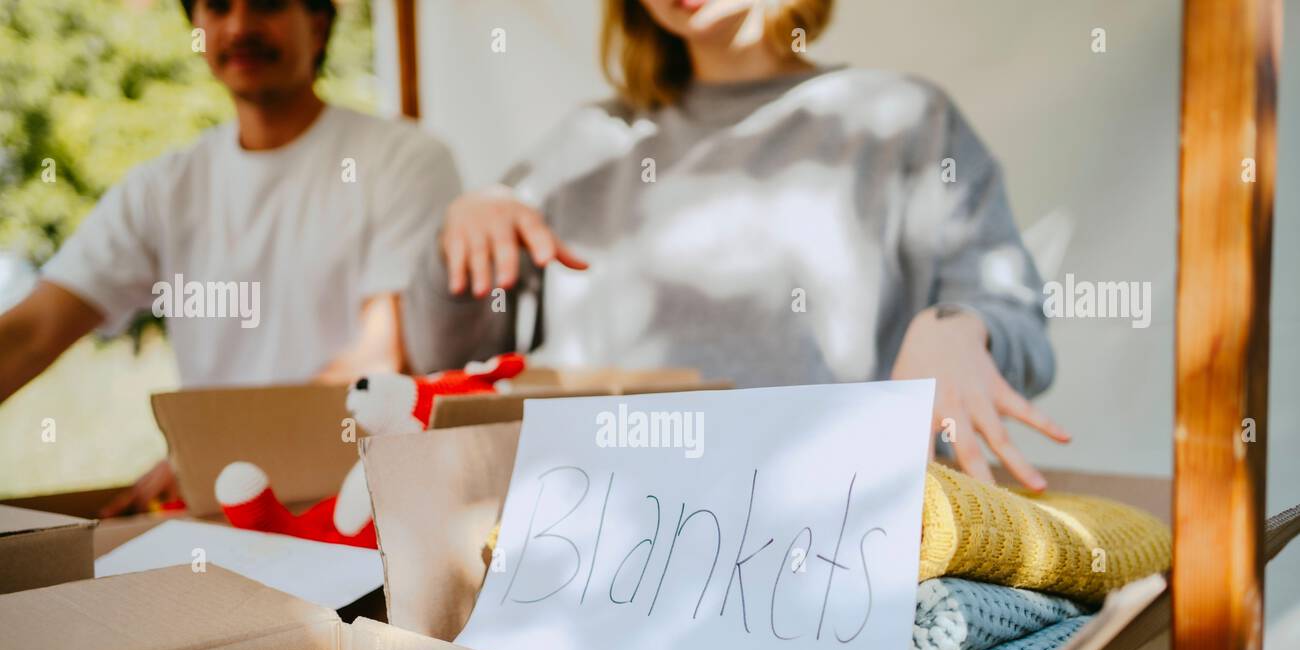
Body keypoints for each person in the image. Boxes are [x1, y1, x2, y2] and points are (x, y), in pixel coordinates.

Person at [419, 0, 1070, 490]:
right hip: (594, 545)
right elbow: (448, 360)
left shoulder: (902, 120)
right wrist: (458, 243)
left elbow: (1014, 323)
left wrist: (959, 328)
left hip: (821, 547)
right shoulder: (584, 144)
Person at [0, 0, 461, 514]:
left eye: (266, 4)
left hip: (364, 506)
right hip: (220, 507)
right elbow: (34, 331)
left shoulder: (404, 161)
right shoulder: (163, 188)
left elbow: (378, 360)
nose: (240, 26)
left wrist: (215, 453)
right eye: (218, 7)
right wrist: (212, 461)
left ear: (318, 22)